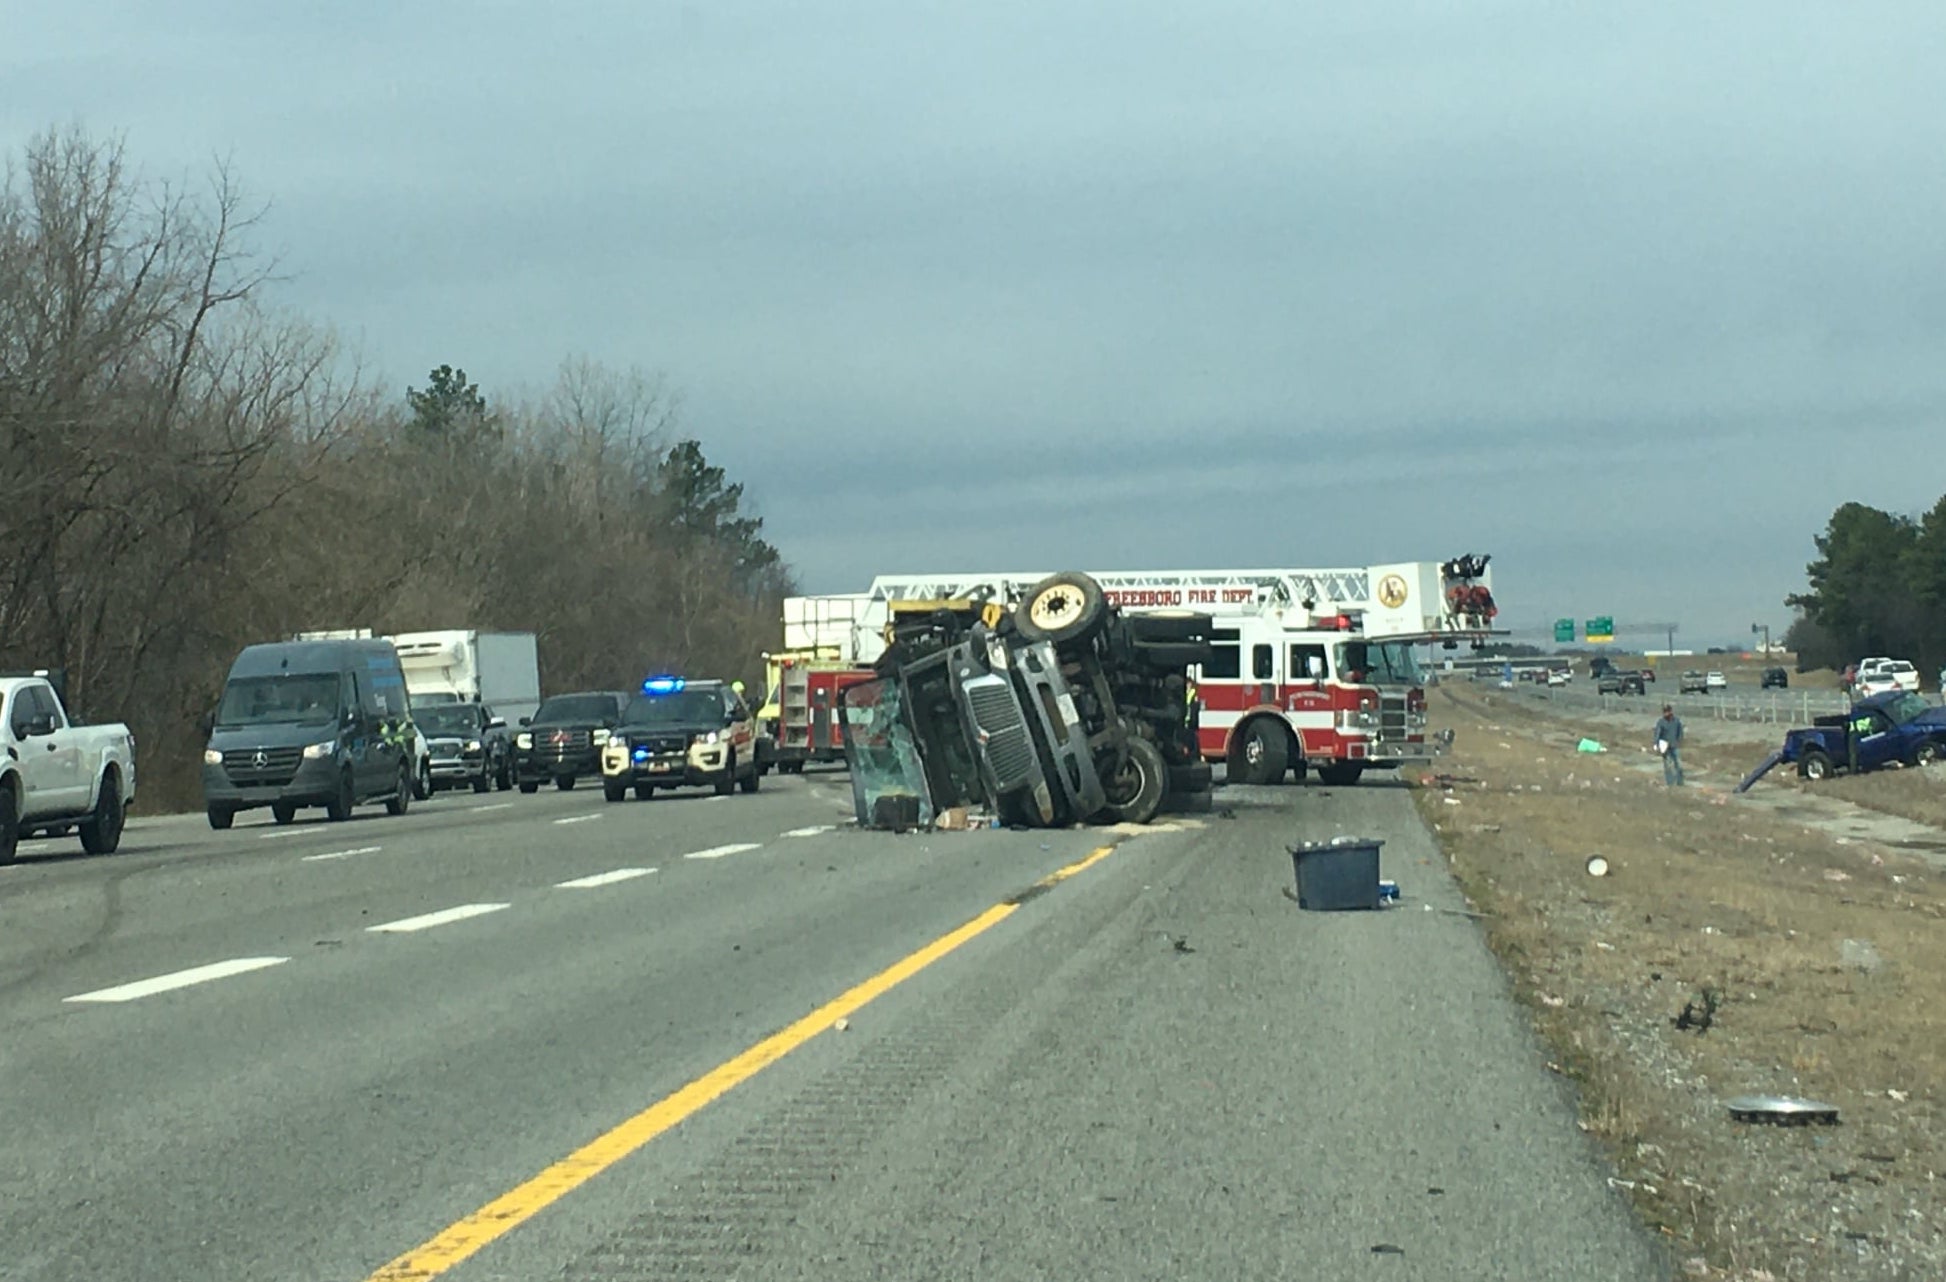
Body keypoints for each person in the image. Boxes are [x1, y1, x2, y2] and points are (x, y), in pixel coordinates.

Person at [1653, 704, 1685, 786]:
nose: (1665, 714)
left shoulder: (1676, 721)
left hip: (1674, 746)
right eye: (1664, 712)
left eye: (1667, 712)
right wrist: (1656, 744)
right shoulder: (1661, 722)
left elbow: (1680, 732)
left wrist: (1679, 740)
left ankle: (1680, 782)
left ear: (1670, 712)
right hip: (1665, 747)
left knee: (1679, 764)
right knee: (1668, 766)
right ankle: (1670, 783)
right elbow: (1657, 733)